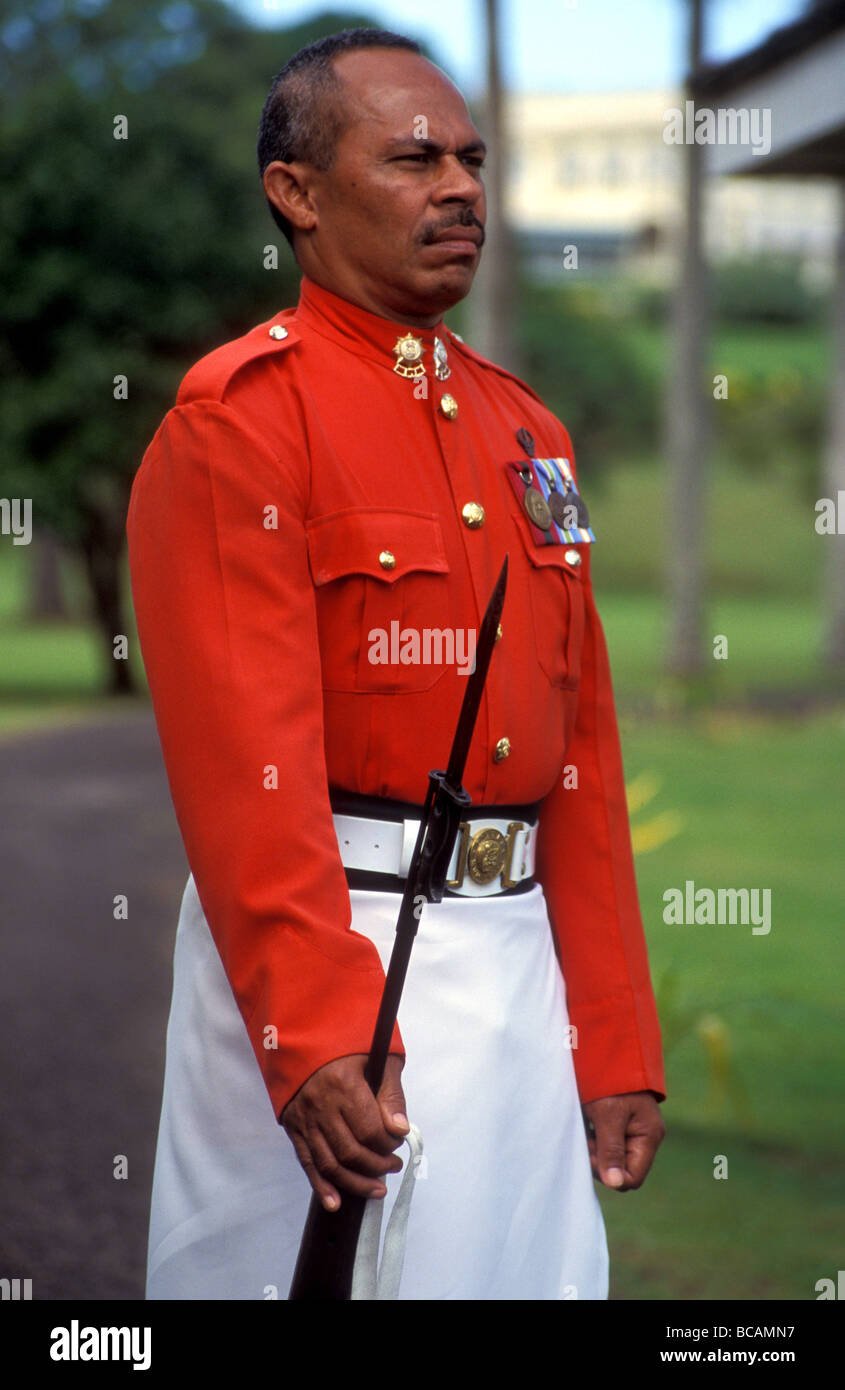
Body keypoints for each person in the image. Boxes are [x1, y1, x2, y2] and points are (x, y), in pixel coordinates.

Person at [127, 27, 666, 1302]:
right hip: (336, 958)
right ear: (296, 195)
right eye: (413, 156)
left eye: (471, 159)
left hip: (518, 968)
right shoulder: (239, 421)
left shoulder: (528, 432)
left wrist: (614, 1037)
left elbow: (577, 753)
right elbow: (244, 764)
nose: (461, 186)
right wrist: (310, 1034)